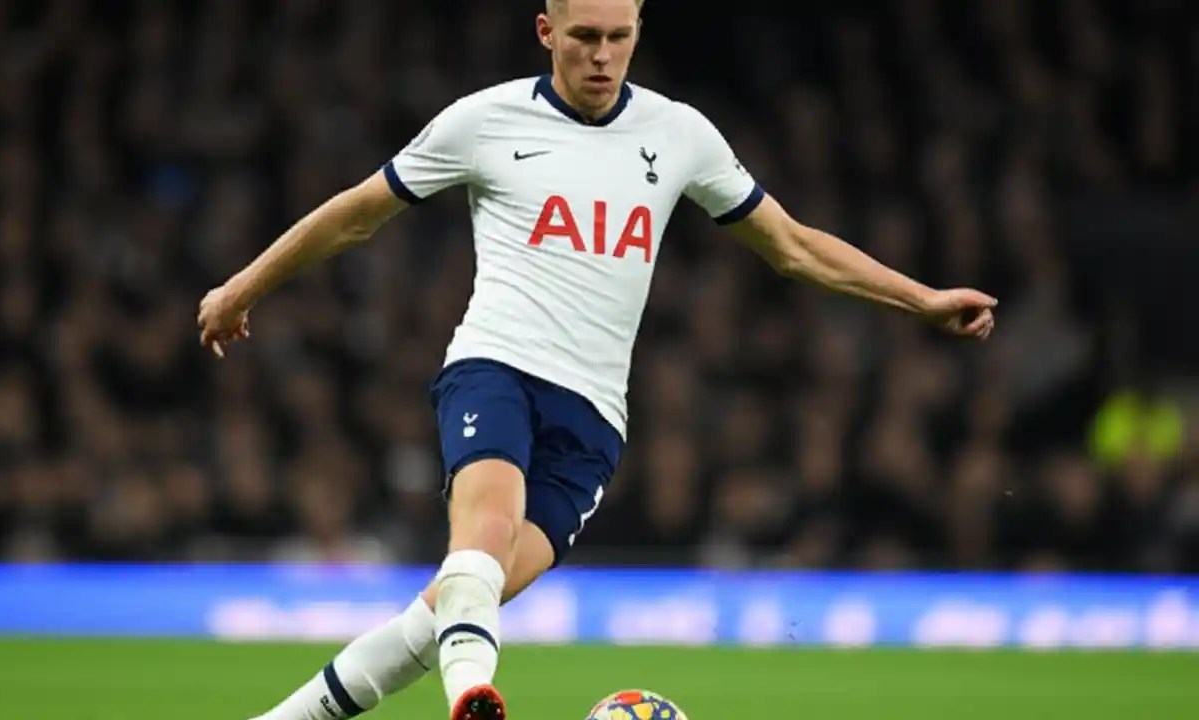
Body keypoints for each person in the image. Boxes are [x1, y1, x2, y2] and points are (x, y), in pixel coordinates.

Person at [196, 1, 997, 718]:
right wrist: (243, 287)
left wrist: (922, 299)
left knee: (445, 609)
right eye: (584, 37)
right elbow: (355, 216)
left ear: (639, 33)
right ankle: (473, 699)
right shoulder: (484, 122)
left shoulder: (679, 135)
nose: (603, 56)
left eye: (620, 37)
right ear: (547, 32)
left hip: (593, 418)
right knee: (483, 529)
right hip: (494, 366)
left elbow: (791, 248)